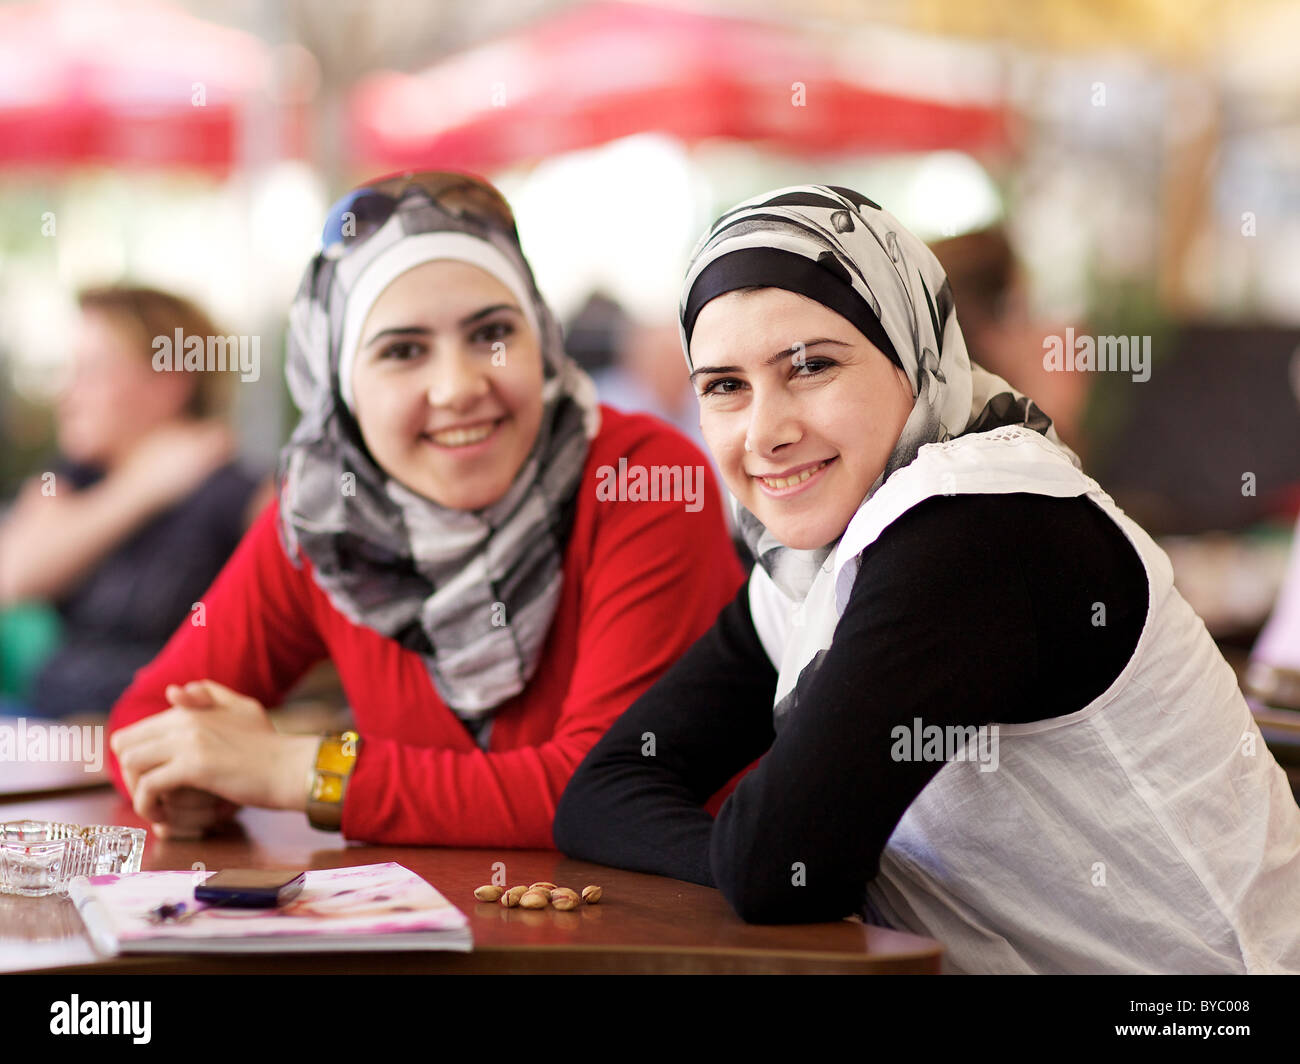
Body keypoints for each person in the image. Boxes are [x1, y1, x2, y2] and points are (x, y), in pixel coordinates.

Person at [553, 184, 1300, 974]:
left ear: (913, 354)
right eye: (725, 387)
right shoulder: (806, 567)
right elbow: (607, 789)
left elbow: (776, 870)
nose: (765, 432)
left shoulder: (979, 523)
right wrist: (757, 860)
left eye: (810, 367)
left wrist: (775, 861)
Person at [105, 172, 742, 845]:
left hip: (669, 937)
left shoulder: (644, 477)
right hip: (431, 942)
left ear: (543, 342)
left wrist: (297, 769)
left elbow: (599, 788)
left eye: (492, 333)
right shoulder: (328, 513)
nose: (459, 386)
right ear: (340, 388)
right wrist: (192, 779)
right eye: (403, 351)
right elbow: (142, 724)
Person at [0, 286, 266, 719]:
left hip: (153, 731)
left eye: (90, 371)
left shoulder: (234, 493)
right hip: (50, 724)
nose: (65, 394)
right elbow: (12, 576)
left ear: (169, 382)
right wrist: (142, 488)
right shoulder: (76, 476)